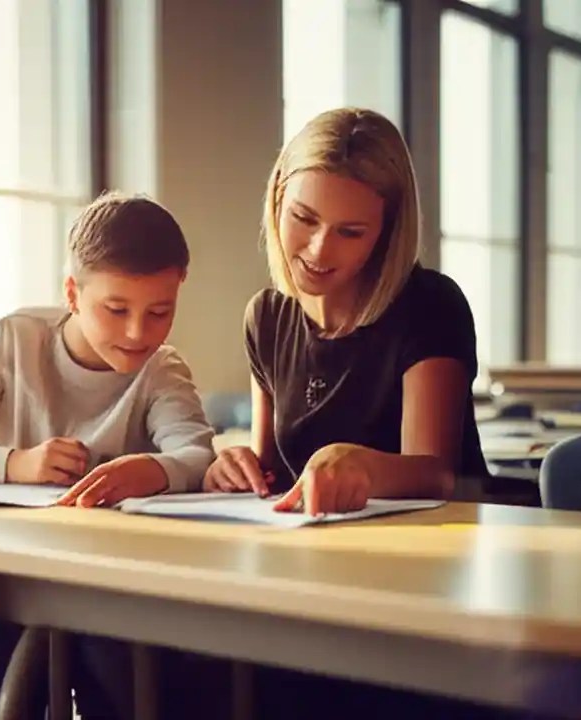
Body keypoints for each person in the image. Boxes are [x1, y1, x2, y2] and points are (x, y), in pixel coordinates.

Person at [203, 106, 490, 719]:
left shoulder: (429, 304)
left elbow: (436, 472)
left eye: (350, 232)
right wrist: (235, 468)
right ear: (278, 198)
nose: (316, 249)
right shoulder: (267, 315)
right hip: (316, 570)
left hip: (425, 578)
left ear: (387, 232)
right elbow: (270, 468)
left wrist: (362, 465)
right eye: (302, 218)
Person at [0, 191, 215, 719]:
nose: (139, 333)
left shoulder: (161, 369)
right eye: (116, 309)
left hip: (104, 581)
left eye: (160, 312)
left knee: (133, 696)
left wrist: (154, 470)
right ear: (72, 292)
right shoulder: (14, 342)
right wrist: (16, 464)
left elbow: (198, 455)